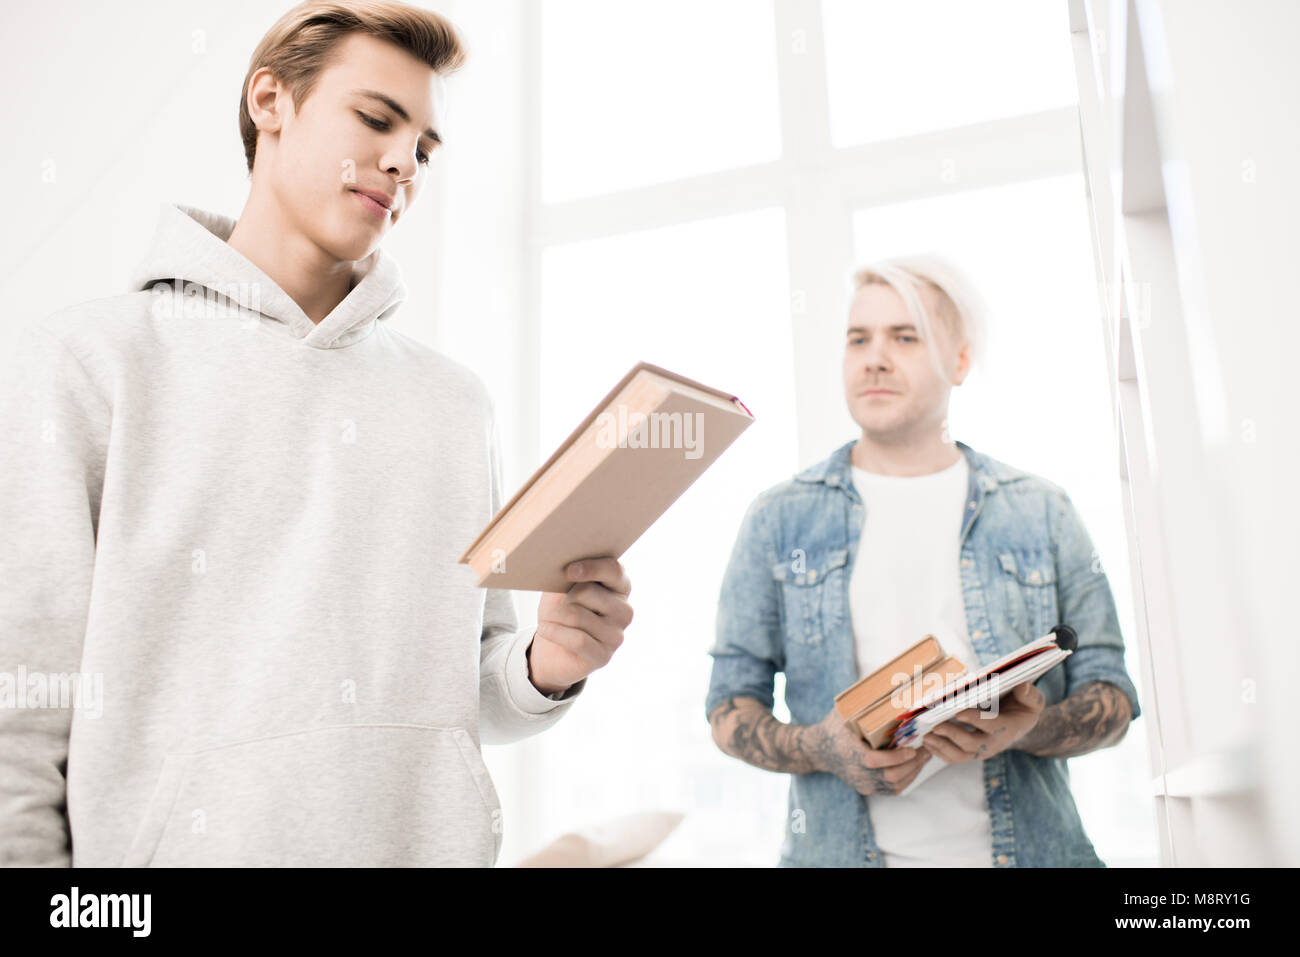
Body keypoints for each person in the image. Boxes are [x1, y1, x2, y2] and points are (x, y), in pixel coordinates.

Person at [0, 0, 631, 868]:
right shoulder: (88, 363)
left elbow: (465, 685)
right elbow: (17, 719)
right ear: (271, 101)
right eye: (376, 119)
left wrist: (543, 664)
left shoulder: (455, 403)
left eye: (424, 147)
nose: (402, 160)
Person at [705, 255, 1141, 867]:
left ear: (959, 360)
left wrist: (1029, 728)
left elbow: (1114, 697)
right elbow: (728, 707)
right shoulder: (779, 518)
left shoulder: (1042, 510)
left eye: (905, 337)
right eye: (859, 338)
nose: (874, 357)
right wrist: (821, 747)